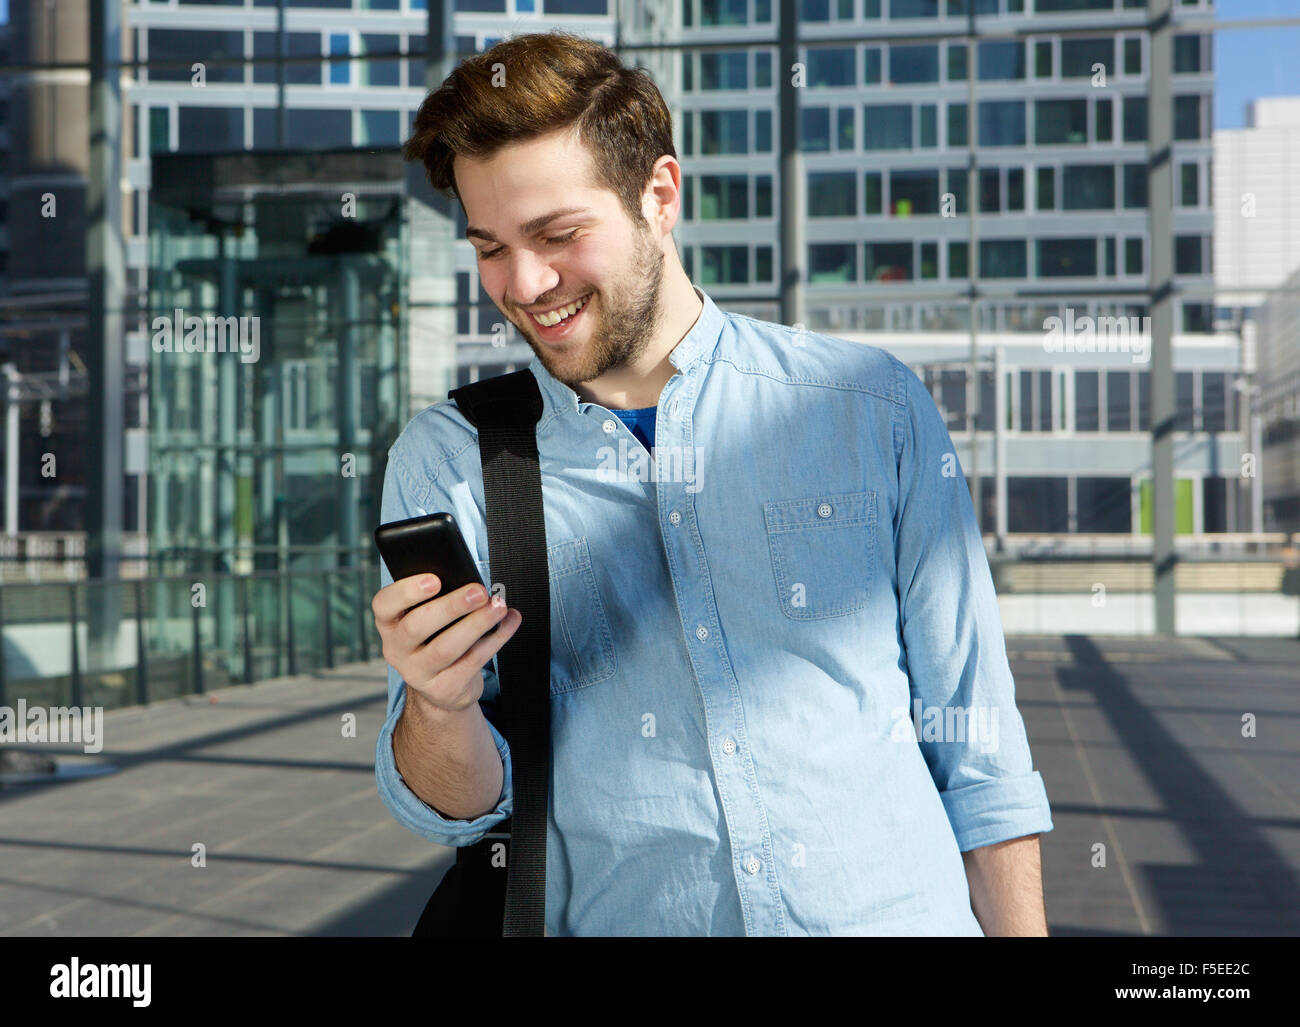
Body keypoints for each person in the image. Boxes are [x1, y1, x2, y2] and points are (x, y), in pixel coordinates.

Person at [372, 31, 1053, 936]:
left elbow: (978, 741)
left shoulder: (868, 407)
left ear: (659, 195)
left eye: (559, 235)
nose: (525, 283)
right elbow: (455, 806)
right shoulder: (452, 459)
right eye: (490, 245)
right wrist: (439, 702)